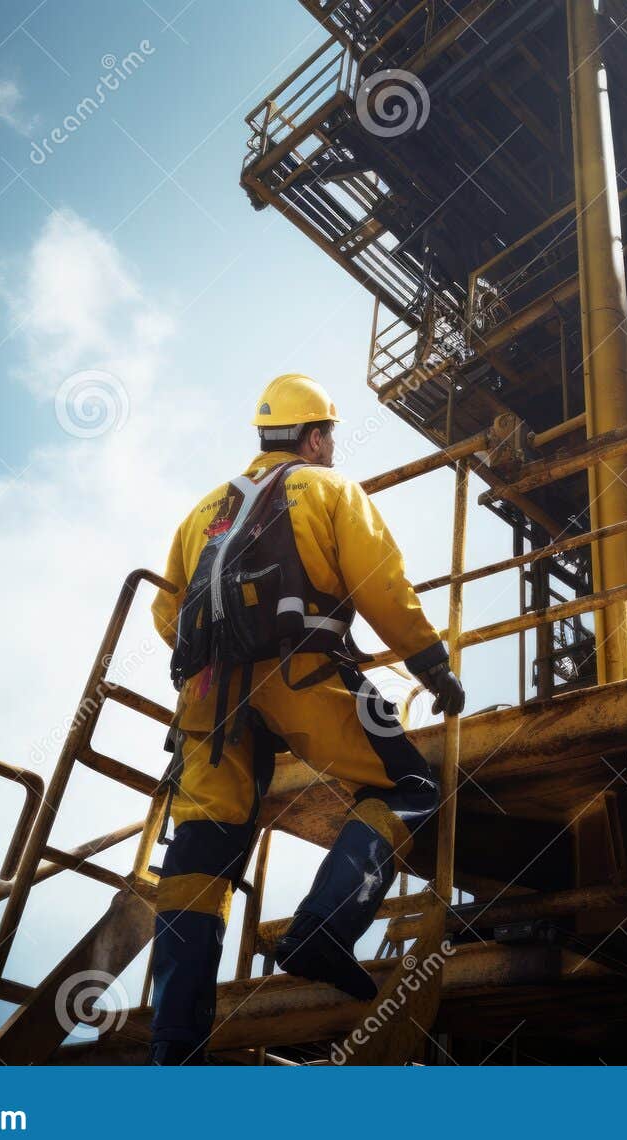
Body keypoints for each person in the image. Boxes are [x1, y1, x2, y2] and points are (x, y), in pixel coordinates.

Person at [146, 372, 464, 1065]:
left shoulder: (203, 511)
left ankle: (174, 1042)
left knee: (200, 851)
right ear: (315, 436)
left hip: (208, 701)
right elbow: (380, 581)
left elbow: (168, 611)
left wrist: (217, 663)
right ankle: (323, 928)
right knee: (406, 786)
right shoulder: (329, 489)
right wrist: (430, 666)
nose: (330, 450)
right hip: (303, 676)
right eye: (330, 438)